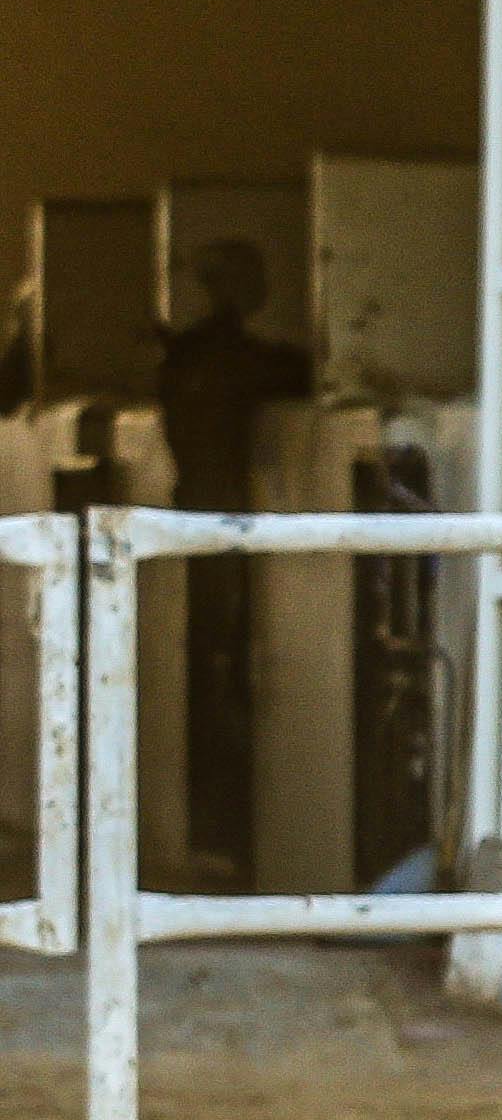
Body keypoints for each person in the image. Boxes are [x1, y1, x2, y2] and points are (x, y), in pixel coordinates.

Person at [153, 243, 311, 889]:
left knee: (209, 670)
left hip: (197, 519)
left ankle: (217, 833)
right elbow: (297, 376)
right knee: (230, 673)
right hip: (226, 528)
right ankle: (234, 834)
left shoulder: (186, 355)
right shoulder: (243, 361)